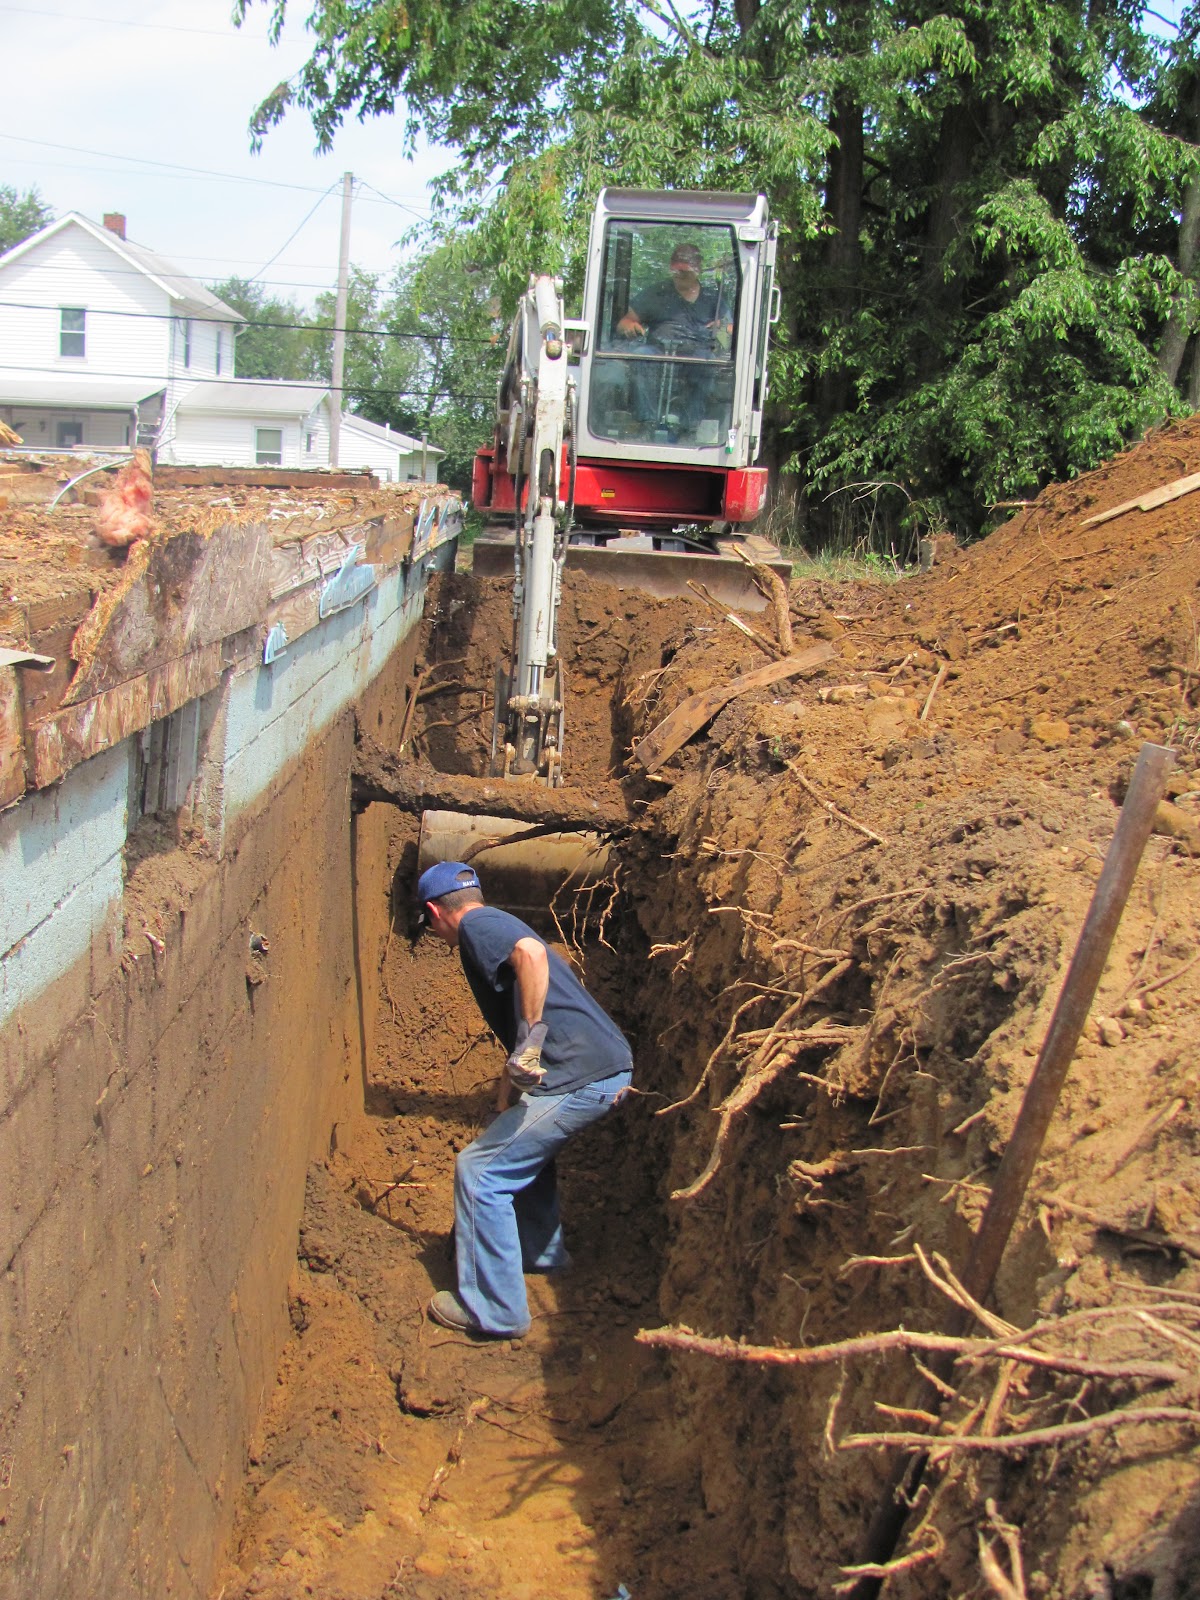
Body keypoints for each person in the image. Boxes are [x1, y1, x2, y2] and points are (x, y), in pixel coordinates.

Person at [415, 860, 634, 1338]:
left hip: (580, 1076)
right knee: (520, 1152)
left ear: (434, 912)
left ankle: (496, 1310)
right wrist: (506, 1098)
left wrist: (533, 1040)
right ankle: (538, 1251)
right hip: (600, 1069)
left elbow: (532, 955)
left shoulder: (478, 926)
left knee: (478, 1174)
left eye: (425, 923)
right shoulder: (494, 921)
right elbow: (520, 1031)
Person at [616, 241, 722, 429]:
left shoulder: (714, 298)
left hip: (697, 354)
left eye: (685, 272)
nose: (680, 276)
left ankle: (691, 426)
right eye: (676, 271)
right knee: (641, 355)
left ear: (698, 270)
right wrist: (630, 326)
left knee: (707, 362)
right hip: (658, 352)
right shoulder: (656, 293)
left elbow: (731, 329)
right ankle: (646, 421)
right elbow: (624, 322)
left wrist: (722, 328)